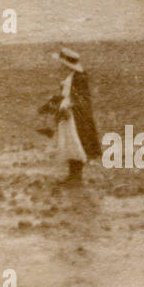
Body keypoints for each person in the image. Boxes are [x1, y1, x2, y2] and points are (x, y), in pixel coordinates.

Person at [38, 47, 100, 185]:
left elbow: (79, 98)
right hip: (69, 114)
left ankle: (76, 177)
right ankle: (73, 176)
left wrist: (64, 106)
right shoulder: (73, 76)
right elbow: (67, 96)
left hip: (74, 116)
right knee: (70, 144)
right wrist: (53, 104)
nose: (60, 66)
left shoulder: (79, 77)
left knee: (75, 143)